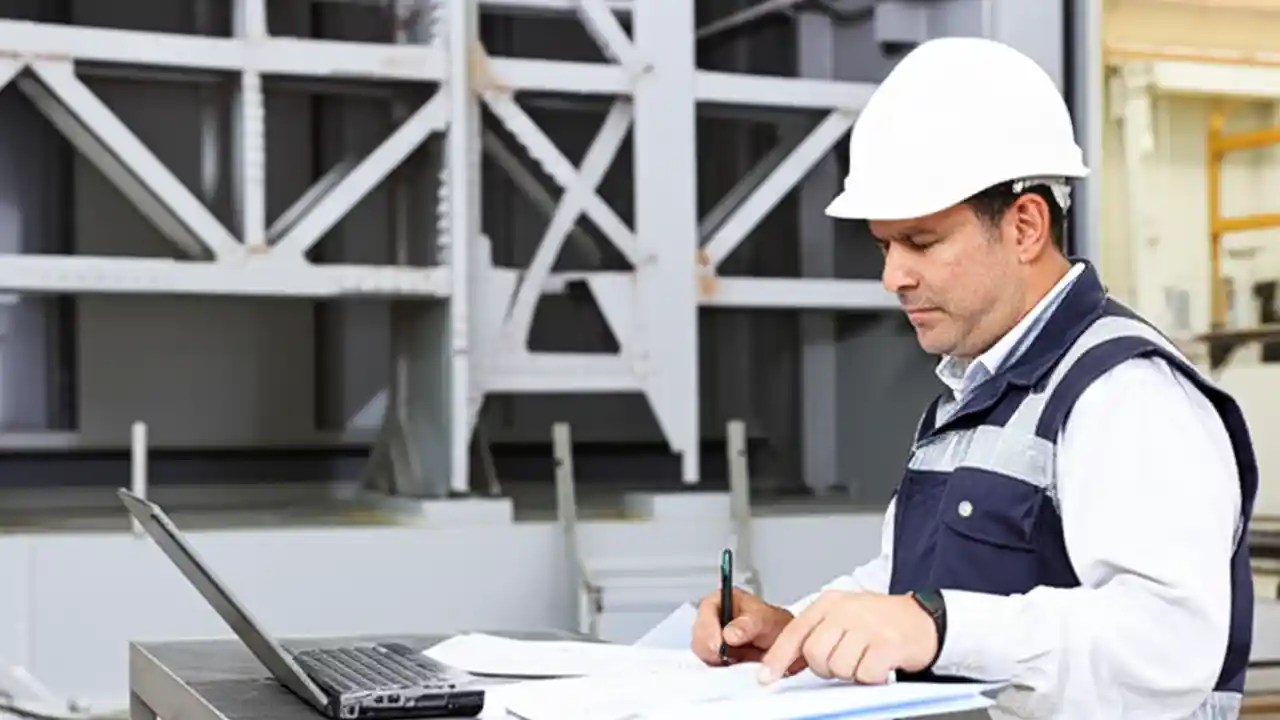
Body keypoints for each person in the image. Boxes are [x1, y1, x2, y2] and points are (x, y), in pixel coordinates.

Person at [690, 36, 1258, 719]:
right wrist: (802, 631)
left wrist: (939, 627)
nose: (893, 276)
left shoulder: (1124, 393)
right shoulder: (981, 392)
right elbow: (916, 584)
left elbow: (1167, 644)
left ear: (1024, 226)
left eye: (921, 242)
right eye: (885, 246)